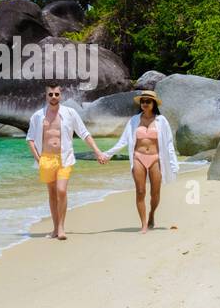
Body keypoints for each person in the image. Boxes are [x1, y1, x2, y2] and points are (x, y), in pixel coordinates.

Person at [27, 82, 109, 240]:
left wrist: (97, 151)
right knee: (52, 194)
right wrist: (39, 159)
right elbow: (30, 139)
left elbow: (84, 133)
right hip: (46, 159)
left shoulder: (70, 113)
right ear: (46, 96)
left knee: (61, 191)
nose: (53, 97)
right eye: (50, 94)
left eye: (56, 94)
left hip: (64, 158)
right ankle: (55, 228)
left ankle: (61, 227)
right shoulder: (38, 116)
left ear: (61, 95)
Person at [104, 90, 179, 233]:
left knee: (155, 194)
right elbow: (123, 141)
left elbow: (169, 143)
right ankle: (144, 224)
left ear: (154, 103)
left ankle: (151, 214)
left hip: (156, 158)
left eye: (148, 101)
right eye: (142, 101)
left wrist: (174, 163)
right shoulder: (134, 120)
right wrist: (107, 155)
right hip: (138, 157)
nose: (145, 104)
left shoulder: (161, 121)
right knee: (140, 191)